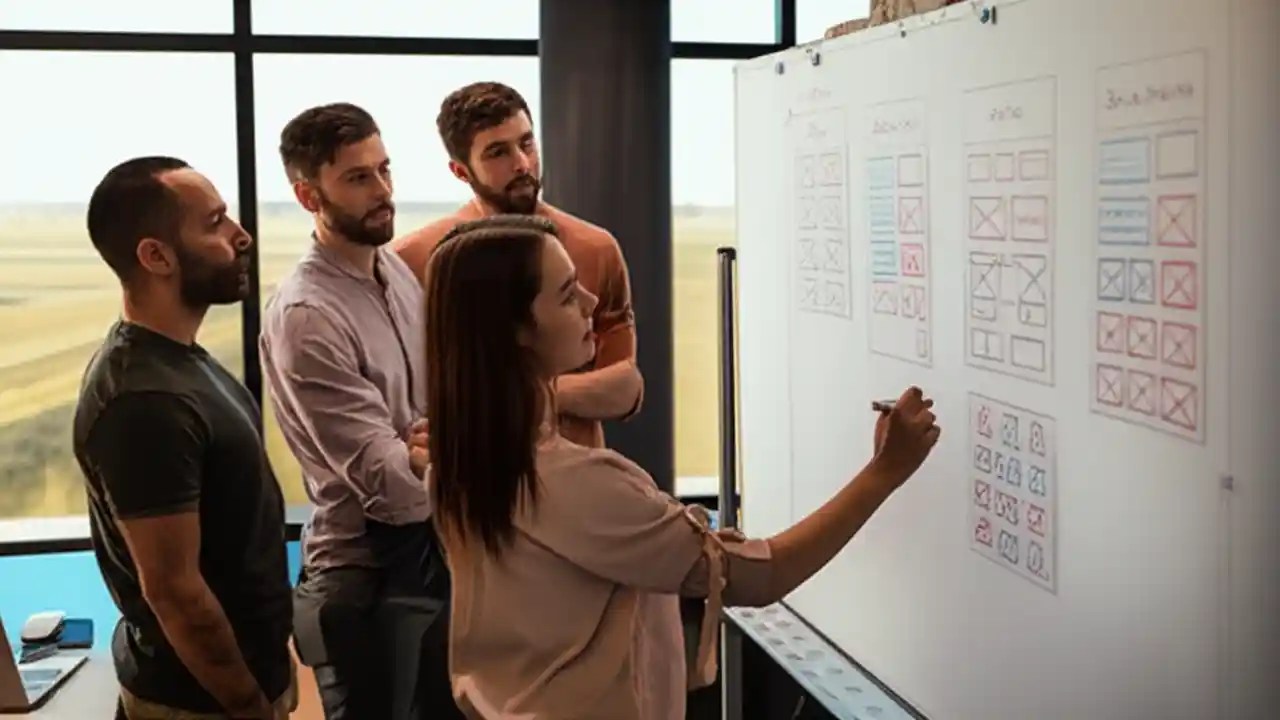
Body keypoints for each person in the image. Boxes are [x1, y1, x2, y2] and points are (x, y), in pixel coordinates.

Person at [421, 217, 942, 719]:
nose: (591, 302)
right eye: (566, 293)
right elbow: (763, 577)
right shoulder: (570, 483)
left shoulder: (459, 463)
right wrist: (884, 472)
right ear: (515, 331)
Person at [73, 156, 295, 719]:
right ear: (155, 256)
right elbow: (176, 594)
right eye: (216, 222)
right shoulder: (145, 400)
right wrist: (248, 704)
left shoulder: (178, 364)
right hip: (202, 703)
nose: (241, 236)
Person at [259, 102, 459, 720]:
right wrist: (433, 451)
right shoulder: (308, 315)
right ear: (307, 194)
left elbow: (435, 420)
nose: (383, 191)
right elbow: (394, 488)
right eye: (357, 177)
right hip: (360, 581)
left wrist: (429, 445)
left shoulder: (396, 272)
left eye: (384, 169)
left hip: (431, 557)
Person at [393, 81, 642, 449]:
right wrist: (566, 391)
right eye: (498, 152)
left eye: (526, 143)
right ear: (461, 171)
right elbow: (417, 397)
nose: (522, 163)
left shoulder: (595, 248)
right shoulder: (416, 260)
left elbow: (624, 389)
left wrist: (519, 396)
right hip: (472, 485)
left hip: (578, 477)